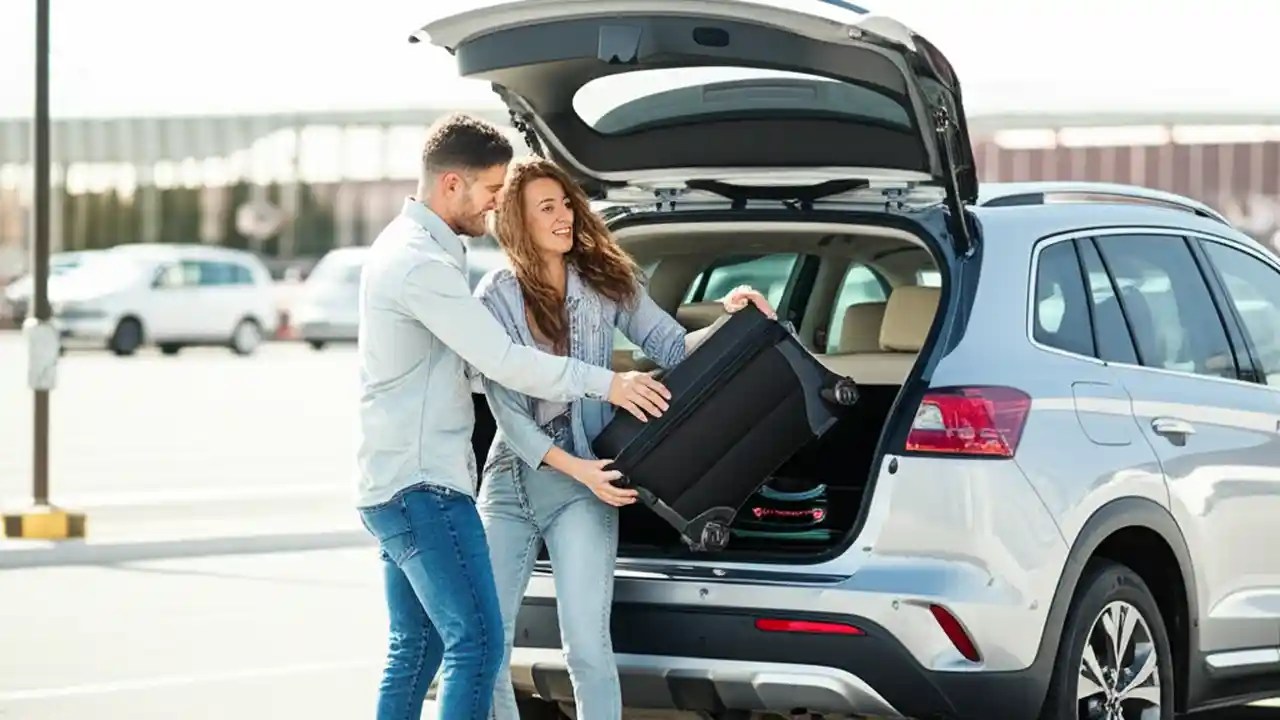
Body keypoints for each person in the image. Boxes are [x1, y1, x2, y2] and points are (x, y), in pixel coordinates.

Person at [354, 115, 673, 720]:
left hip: (402, 481)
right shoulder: (440, 272)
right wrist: (609, 383)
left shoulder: (411, 250)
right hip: (437, 484)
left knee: (418, 649)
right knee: (477, 646)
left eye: (563, 203)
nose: (496, 206)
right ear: (453, 185)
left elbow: (674, 344)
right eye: (495, 193)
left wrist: (740, 323)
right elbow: (504, 369)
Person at [473, 156, 775, 720]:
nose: (564, 215)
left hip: (586, 487)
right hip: (513, 480)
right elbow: (505, 408)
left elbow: (674, 348)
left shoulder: (605, 282)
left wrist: (730, 317)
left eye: (566, 203)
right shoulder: (497, 295)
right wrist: (574, 466)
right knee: (489, 648)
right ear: (517, 220)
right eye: (547, 208)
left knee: (586, 650)